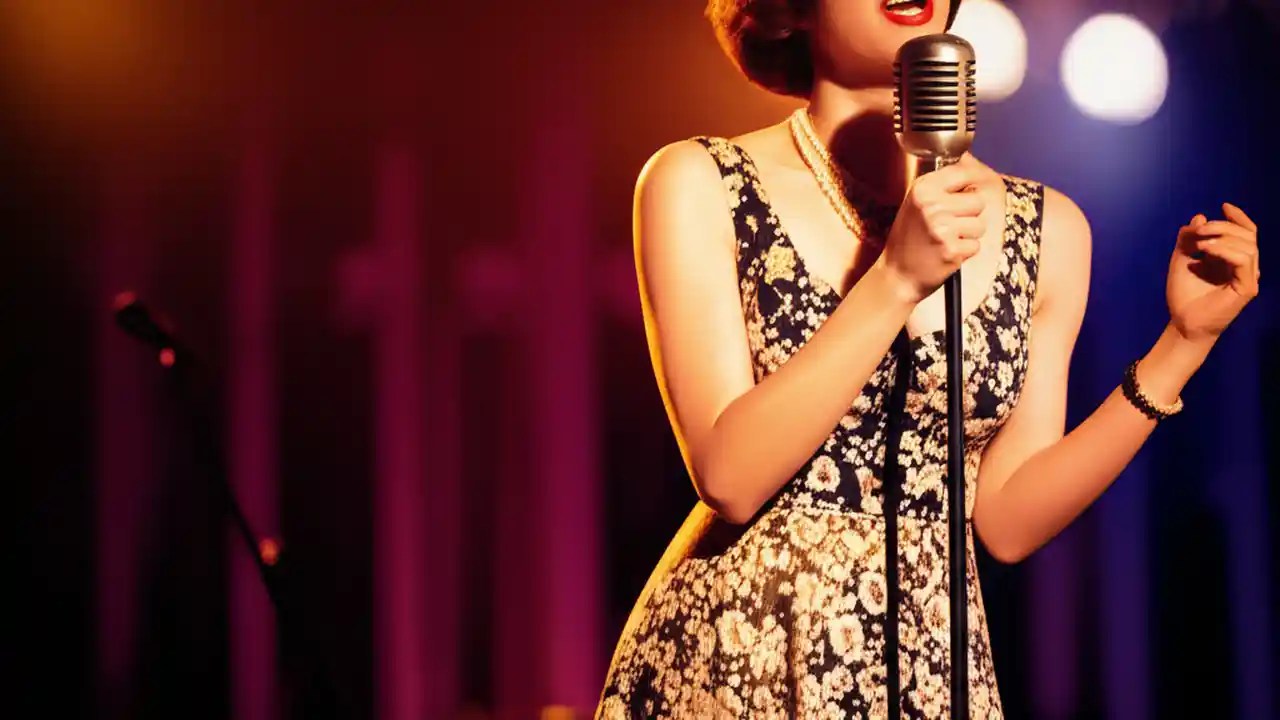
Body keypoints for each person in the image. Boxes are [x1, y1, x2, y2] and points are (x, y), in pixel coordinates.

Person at [595, 0, 1261, 716]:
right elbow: (729, 475)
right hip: (740, 648)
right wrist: (895, 280)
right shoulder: (701, 182)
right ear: (789, 11)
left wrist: (1182, 347)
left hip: (931, 657)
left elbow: (1006, 520)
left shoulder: (1048, 229)